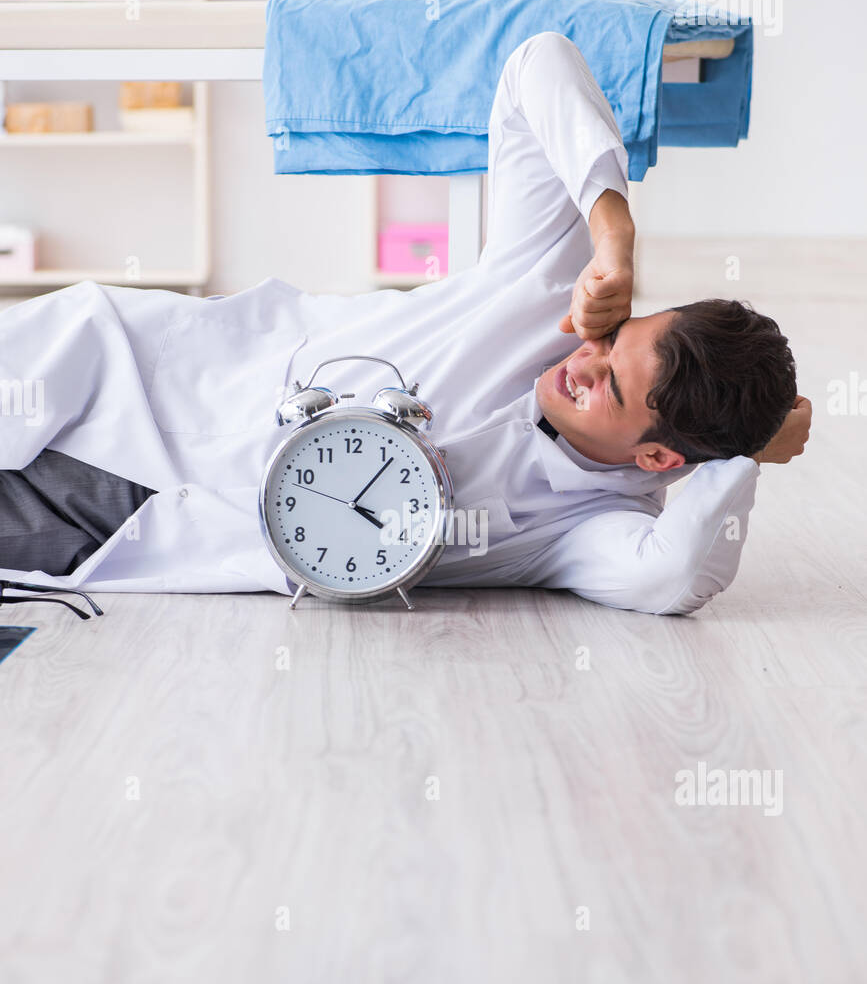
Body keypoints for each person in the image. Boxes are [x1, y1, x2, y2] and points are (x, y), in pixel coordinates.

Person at [0, 33, 810, 614]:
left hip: (129, 525)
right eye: (615, 342)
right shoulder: (551, 294)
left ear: (660, 454)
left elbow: (670, 581)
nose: (584, 362)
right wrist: (612, 232)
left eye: (611, 392)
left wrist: (745, 454)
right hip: (131, 371)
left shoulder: (587, 528)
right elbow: (539, 60)